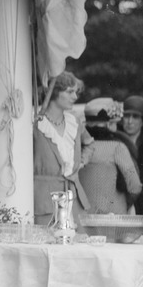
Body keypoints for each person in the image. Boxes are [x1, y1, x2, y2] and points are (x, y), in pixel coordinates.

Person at [33, 71, 94, 225]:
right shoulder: (37, 124)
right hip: (44, 198)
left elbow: (89, 143)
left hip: (73, 195)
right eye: (69, 92)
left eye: (76, 92)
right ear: (54, 92)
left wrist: (81, 162)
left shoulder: (74, 122)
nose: (75, 97)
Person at [77, 98, 142, 215]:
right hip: (112, 216)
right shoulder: (117, 147)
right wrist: (128, 201)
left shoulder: (76, 147)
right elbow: (135, 185)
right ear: (110, 124)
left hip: (81, 216)